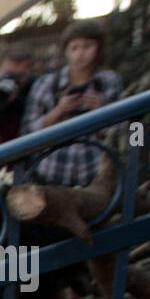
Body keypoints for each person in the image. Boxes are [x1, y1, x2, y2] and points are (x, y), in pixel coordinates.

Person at [22, 20, 122, 186]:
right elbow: (28, 131)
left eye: (87, 46)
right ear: (66, 51)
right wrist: (59, 110)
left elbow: (120, 131)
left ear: (99, 49)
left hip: (93, 172)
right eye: (74, 48)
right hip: (51, 172)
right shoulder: (47, 84)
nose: (80, 54)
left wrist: (101, 111)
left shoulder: (108, 81)